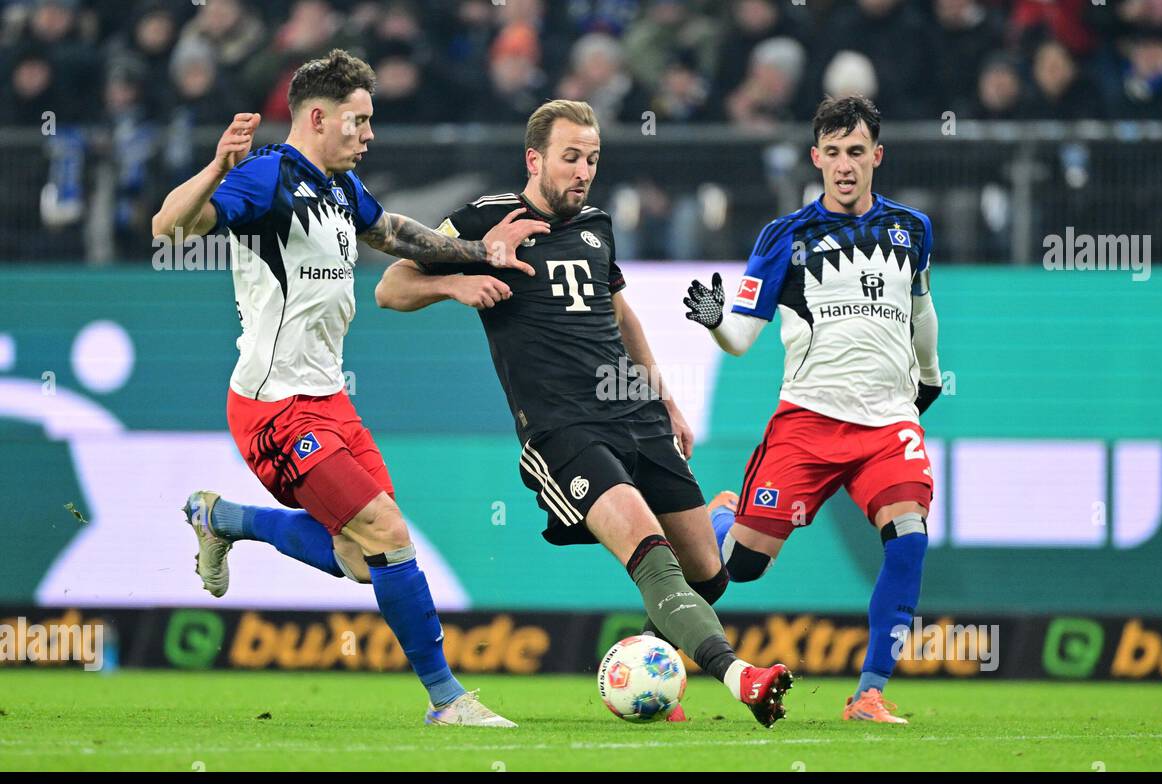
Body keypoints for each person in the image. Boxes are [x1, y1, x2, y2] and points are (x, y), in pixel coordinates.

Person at [150, 49, 546, 727]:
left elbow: (392, 232)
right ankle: (448, 699)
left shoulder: (338, 188)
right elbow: (169, 227)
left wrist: (481, 251)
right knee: (388, 534)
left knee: (363, 561)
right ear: (316, 117)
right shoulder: (267, 178)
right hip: (273, 407)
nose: (368, 135)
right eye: (358, 121)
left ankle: (221, 518)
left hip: (330, 399)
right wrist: (217, 167)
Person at [373, 99, 794, 728]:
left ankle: (647, 660)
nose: (583, 171)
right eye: (571, 157)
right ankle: (741, 676)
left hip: (637, 415)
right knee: (650, 554)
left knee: (709, 576)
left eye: (592, 159)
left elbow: (622, 317)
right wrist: (456, 281)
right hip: (563, 431)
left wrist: (666, 398)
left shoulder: (598, 224)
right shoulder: (486, 223)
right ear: (534, 158)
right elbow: (390, 287)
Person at [683, 95, 943, 724]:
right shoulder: (784, 237)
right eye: (833, 153)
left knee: (908, 540)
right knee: (739, 570)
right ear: (816, 158)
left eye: (857, 152)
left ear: (877, 156)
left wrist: (929, 377)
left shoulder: (911, 229)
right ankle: (722, 520)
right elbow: (743, 337)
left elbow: (920, 309)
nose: (845, 165)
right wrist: (718, 323)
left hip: (887, 423)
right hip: (807, 424)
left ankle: (870, 693)